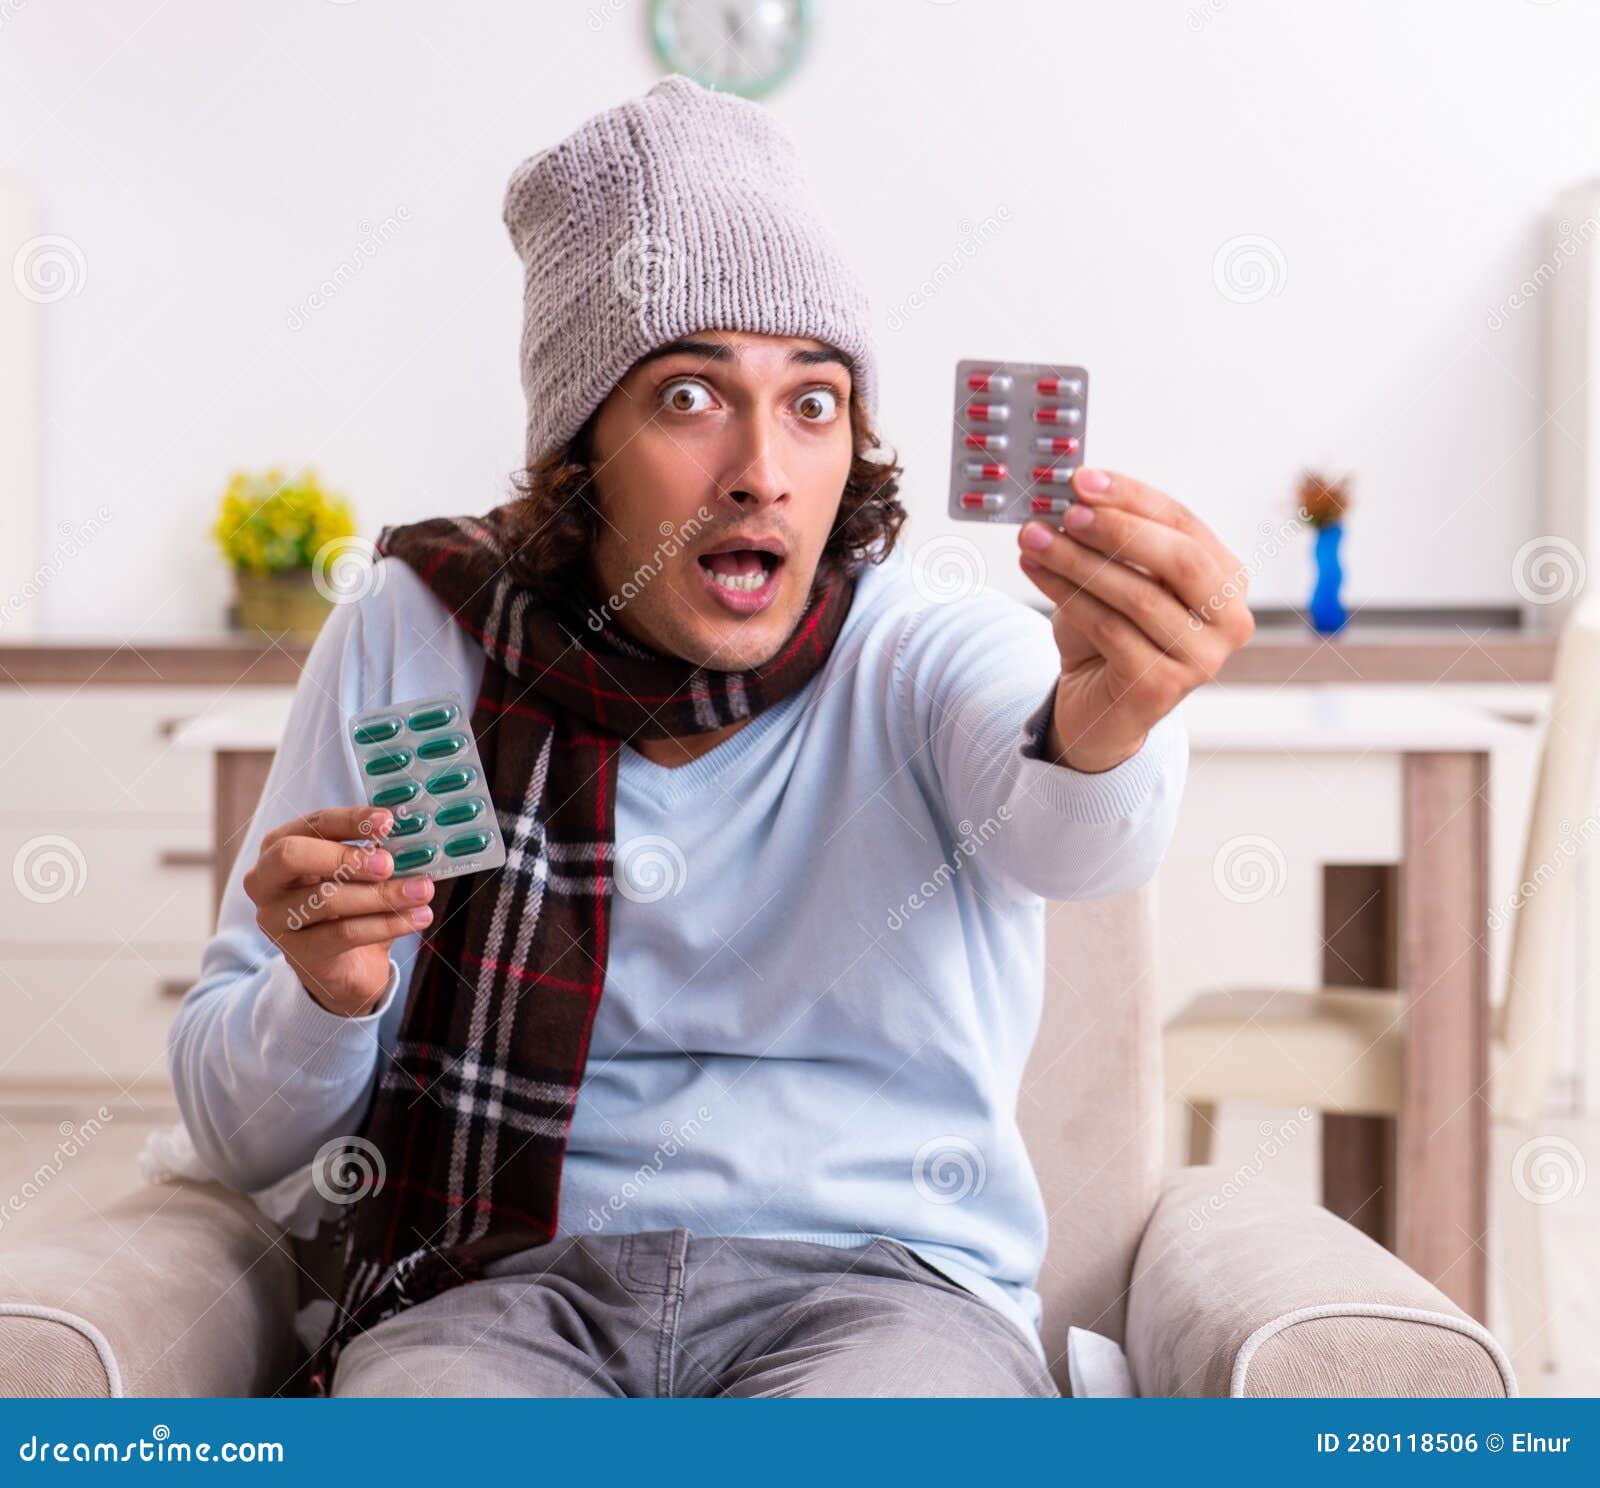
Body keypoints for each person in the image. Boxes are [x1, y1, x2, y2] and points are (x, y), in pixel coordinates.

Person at [167, 74, 1253, 1399]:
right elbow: (235, 1131)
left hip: (884, 1298)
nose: (762, 468)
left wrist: (1108, 719)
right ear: (582, 448)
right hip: (493, 1300)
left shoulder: (919, 651)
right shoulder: (422, 639)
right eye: (688, 397)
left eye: (810, 401)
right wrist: (327, 1002)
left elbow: (1082, 840)